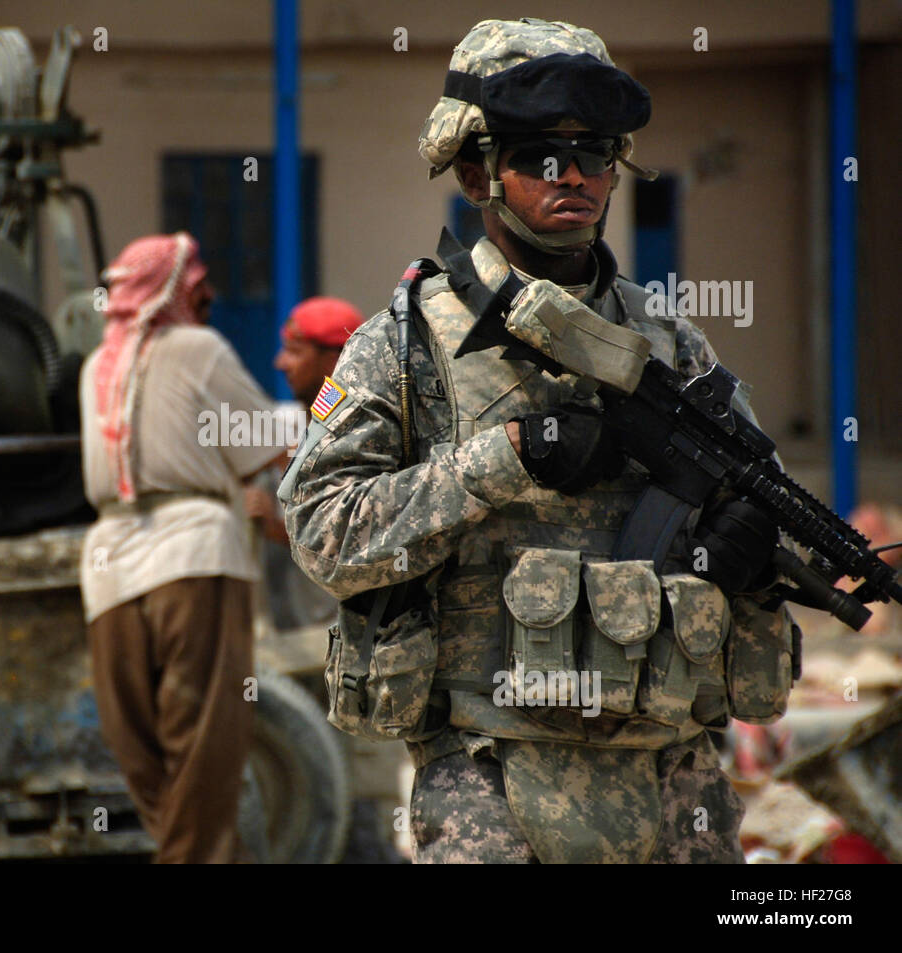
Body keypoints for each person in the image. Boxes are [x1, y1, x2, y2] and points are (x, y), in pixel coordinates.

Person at [279, 18, 796, 863]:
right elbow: (322, 529)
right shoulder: (408, 340)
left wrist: (743, 552)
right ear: (479, 171)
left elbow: (762, 494)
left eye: (596, 153)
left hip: (670, 772)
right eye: (542, 155)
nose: (576, 177)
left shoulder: (668, 343)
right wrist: (508, 455)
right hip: (491, 768)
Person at [78, 231, 281, 863]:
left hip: (115, 564)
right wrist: (326, 415)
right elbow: (269, 445)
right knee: (199, 746)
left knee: (144, 753)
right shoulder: (200, 348)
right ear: (176, 293)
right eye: (198, 285)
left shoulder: (93, 366)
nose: (211, 295)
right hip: (189, 556)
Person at [245, 297, 366, 629]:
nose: (280, 362)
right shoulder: (285, 422)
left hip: (339, 628)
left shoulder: (367, 429)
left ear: (334, 359)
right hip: (287, 625)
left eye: (295, 351)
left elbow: (355, 536)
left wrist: (279, 528)